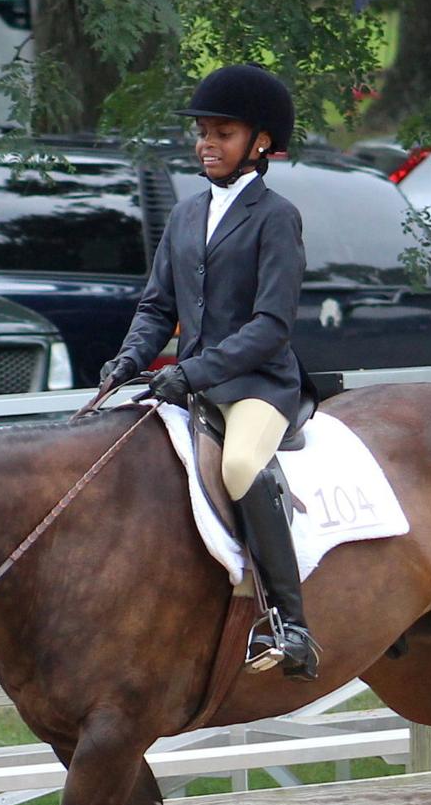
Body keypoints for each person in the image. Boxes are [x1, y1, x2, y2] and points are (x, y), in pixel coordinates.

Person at [101, 63, 319, 681]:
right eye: (202, 132)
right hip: (189, 383)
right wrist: (130, 358)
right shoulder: (187, 212)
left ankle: (292, 624)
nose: (206, 144)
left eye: (221, 133)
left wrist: (193, 371)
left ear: (260, 143)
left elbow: (271, 324)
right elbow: (157, 306)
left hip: (257, 385)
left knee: (242, 465)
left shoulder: (276, 216)